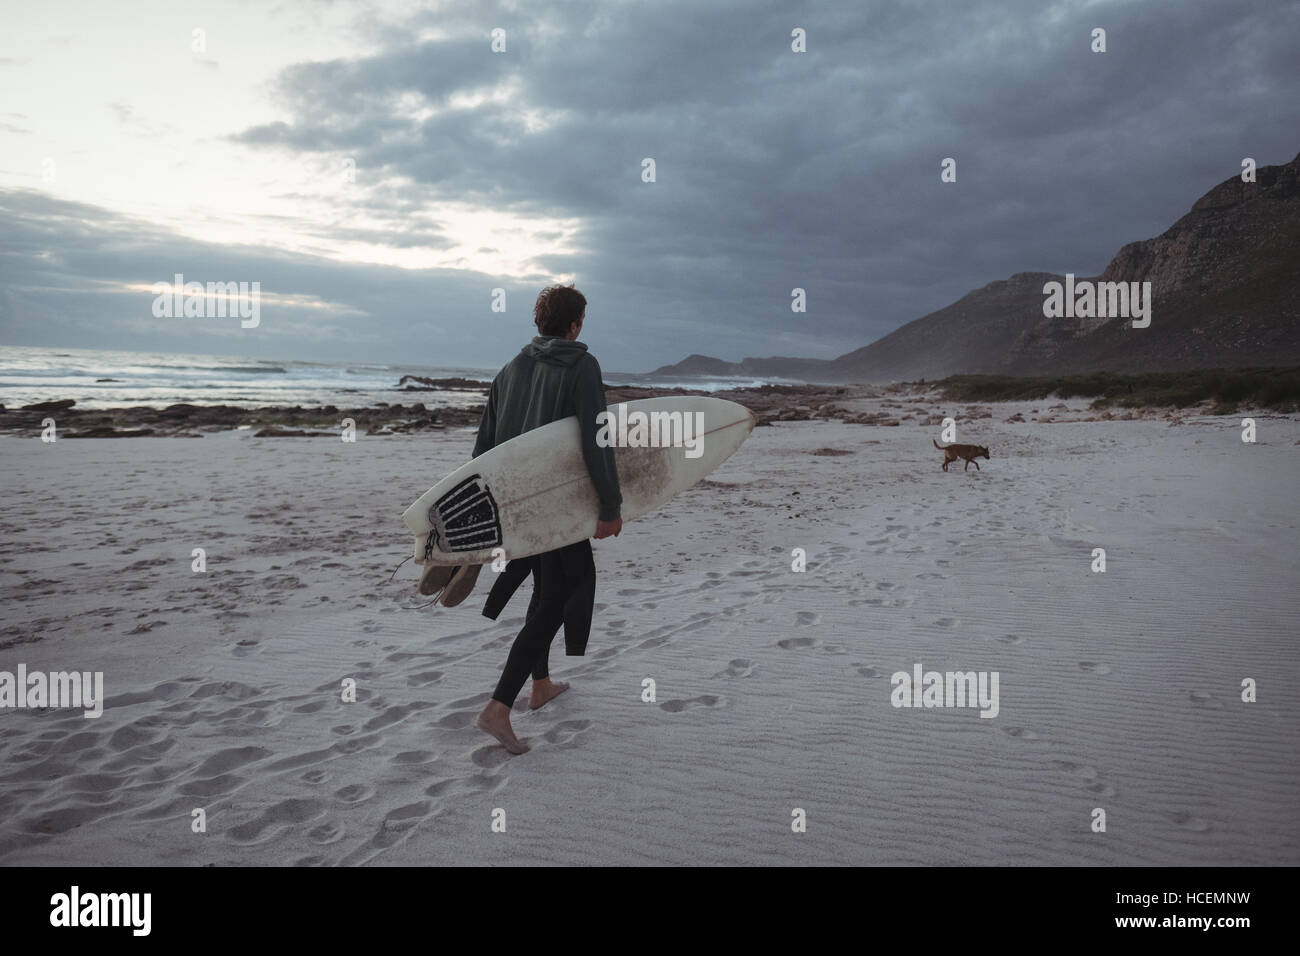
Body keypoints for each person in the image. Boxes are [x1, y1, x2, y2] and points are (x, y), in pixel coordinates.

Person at [469, 285, 622, 754]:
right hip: (560, 506)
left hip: (516, 506)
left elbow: (482, 451)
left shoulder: (509, 370)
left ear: (539, 322)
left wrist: (487, 512)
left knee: (544, 588)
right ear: (575, 324)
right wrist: (610, 506)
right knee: (566, 592)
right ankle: (499, 706)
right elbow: (596, 440)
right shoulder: (581, 365)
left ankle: (541, 685)